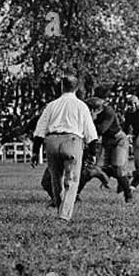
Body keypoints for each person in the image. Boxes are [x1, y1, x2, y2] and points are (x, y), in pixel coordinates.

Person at [32, 75, 98, 222]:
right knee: (72, 180)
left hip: (52, 142)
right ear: (77, 88)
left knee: (56, 180)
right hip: (72, 141)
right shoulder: (81, 106)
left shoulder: (52, 105)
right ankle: (64, 215)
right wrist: (92, 153)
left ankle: (60, 207)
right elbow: (91, 133)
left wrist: (35, 152)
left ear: (61, 87)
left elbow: (39, 130)